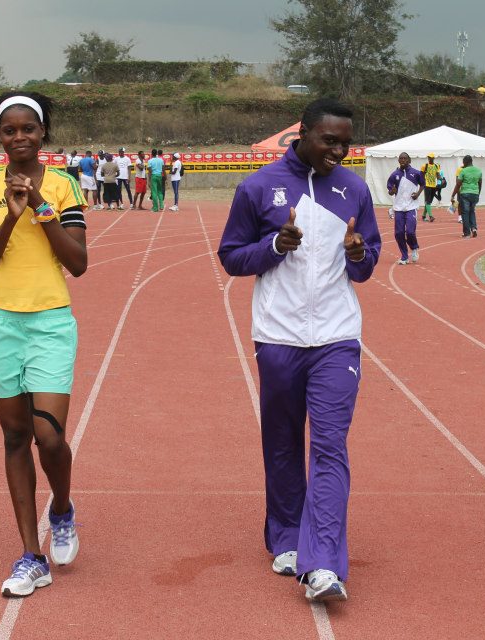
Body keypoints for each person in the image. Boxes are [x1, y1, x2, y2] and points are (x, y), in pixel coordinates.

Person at [217, 97, 381, 603]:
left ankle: (325, 562)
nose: (339, 149)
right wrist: (273, 248)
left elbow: (368, 261)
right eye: (329, 140)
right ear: (302, 135)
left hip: (336, 337)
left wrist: (358, 254)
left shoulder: (353, 189)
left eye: (345, 141)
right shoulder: (259, 187)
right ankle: (287, 538)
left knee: (330, 447)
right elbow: (230, 257)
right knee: (284, 443)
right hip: (279, 336)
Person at [0, 91, 88, 598]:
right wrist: (11, 215)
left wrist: (39, 207)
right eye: (9, 130)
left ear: (43, 134)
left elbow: (78, 262)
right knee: (15, 438)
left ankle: (61, 508)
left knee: (50, 437)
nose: (19, 137)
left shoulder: (63, 186)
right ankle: (30, 555)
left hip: (49, 323)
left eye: (28, 129)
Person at [387, 152, 423, 264]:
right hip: (399, 207)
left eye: (405, 158)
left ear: (409, 160)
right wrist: (392, 191)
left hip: (411, 206)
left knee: (410, 232)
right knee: (398, 233)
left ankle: (414, 247)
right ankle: (404, 256)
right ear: (398, 160)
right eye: (401, 158)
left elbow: (423, 184)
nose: (402, 160)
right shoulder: (394, 175)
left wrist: (418, 194)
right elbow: (390, 190)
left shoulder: (416, 173)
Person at [450, 155, 482, 238]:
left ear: (465, 162)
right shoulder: (479, 171)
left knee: (465, 213)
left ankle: (466, 233)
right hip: (475, 193)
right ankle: (474, 228)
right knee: (472, 211)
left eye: (463, 162)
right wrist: (478, 193)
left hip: (465, 194)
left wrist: (453, 195)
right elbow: (480, 183)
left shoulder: (463, 171)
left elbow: (458, 184)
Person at [418, 153, 440, 222]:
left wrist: (441, 180)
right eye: (429, 157)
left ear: (434, 158)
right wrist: (422, 183)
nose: (430, 158)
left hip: (434, 185)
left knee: (429, 202)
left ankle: (424, 216)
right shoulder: (425, 166)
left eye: (431, 157)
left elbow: (438, 175)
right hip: (427, 185)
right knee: (428, 201)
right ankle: (431, 216)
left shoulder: (437, 166)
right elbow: (421, 175)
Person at [147, 148, 165, 213]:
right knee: (160, 191)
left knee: (154, 192)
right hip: (160, 176)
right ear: (157, 153)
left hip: (153, 176)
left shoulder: (150, 161)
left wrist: (149, 180)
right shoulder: (161, 160)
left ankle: (155, 208)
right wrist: (164, 176)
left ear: (151, 154)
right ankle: (162, 205)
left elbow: (150, 171)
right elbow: (163, 169)